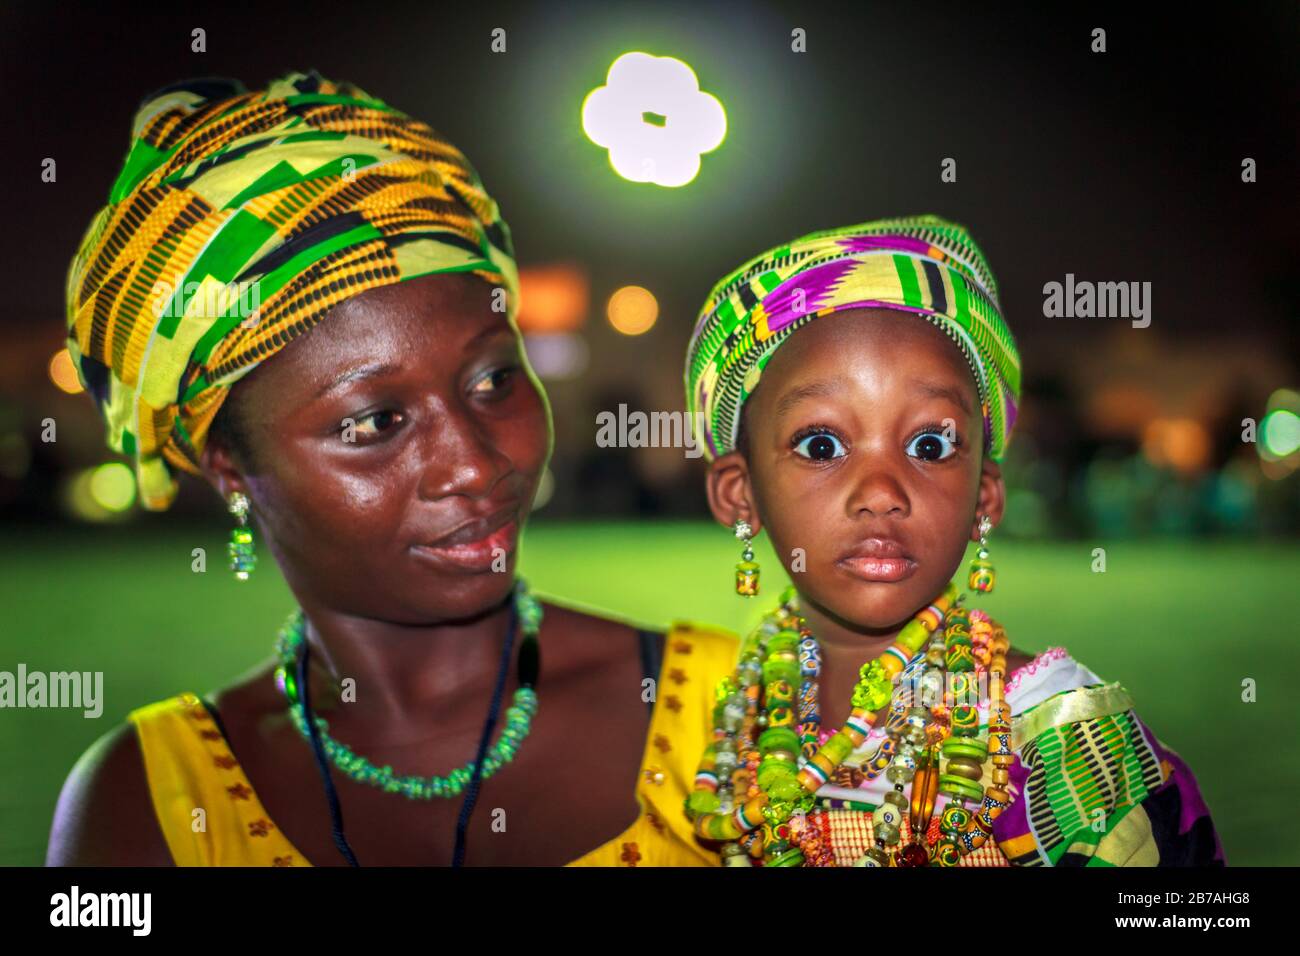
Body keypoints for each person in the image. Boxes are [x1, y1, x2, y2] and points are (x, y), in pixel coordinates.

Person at [46, 70, 734, 867]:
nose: (474, 467)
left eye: (494, 381)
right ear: (228, 465)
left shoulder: (734, 714)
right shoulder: (151, 804)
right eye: (374, 422)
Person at [672, 215, 1224, 866]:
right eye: (821, 445)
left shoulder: (1051, 732)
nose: (881, 490)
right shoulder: (723, 715)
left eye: (930, 445)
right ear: (741, 494)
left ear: (984, 498)